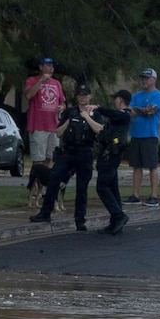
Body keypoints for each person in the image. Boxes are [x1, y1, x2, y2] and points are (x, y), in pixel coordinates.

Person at [30, 84, 97, 229]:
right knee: (54, 177)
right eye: (80, 95)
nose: (82, 98)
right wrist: (70, 120)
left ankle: (80, 220)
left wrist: (86, 117)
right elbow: (58, 132)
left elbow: (99, 130)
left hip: (85, 151)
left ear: (90, 96)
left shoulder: (94, 112)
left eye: (85, 95)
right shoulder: (70, 112)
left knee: (82, 187)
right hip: (69, 151)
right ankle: (45, 213)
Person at [88, 89, 132, 235]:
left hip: (111, 155)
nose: (115, 101)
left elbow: (114, 114)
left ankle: (119, 216)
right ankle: (115, 221)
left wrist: (99, 109)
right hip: (107, 154)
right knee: (113, 188)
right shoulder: (117, 118)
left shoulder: (125, 114)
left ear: (121, 100)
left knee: (102, 187)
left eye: (116, 99)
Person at [128, 67, 160, 207]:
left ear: (154, 79)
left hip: (150, 135)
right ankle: (135, 195)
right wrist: (141, 110)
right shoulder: (137, 95)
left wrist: (138, 110)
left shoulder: (158, 95)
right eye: (143, 78)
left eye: (147, 78)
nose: (144, 80)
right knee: (136, 166)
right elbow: (130, 111)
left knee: (152, 166)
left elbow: (151, 111)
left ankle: (154, 196)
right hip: (136, 134)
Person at [23, 57, 64, 184]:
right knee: (38, 160)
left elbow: (62, 102)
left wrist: (61, 107)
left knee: (49, 157)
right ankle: (34, 187)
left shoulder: (56, 83)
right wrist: (40, 80)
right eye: (48, 65)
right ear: (41, 67)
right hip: (38, 125)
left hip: (53, 126)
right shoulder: (32, 80)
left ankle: (44, 185)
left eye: (52, 66)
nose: (51, 68)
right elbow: (29, 95)